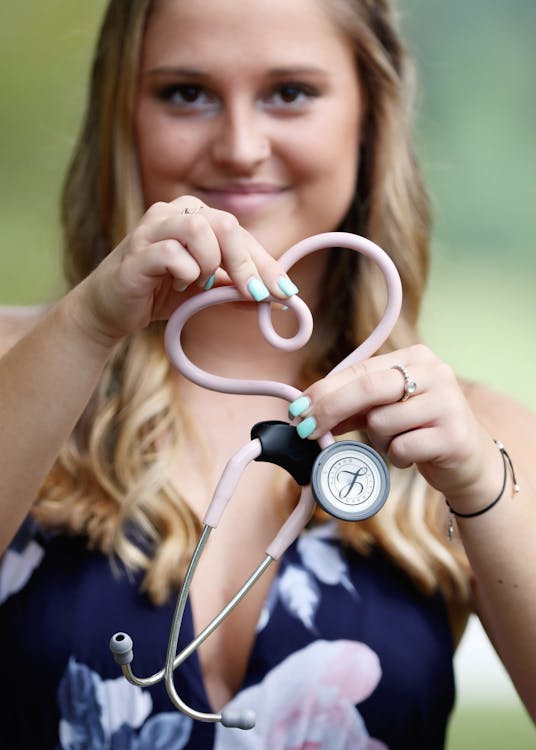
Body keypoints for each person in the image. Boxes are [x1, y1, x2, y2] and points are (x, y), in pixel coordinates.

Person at [0, 0, 535, 747]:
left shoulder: (481, 437)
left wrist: (481, 488)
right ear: (123, 113)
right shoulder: (19, 363)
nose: (240, 147)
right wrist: (88, 325)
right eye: (186, 92)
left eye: (290, 92)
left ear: (369, 116)